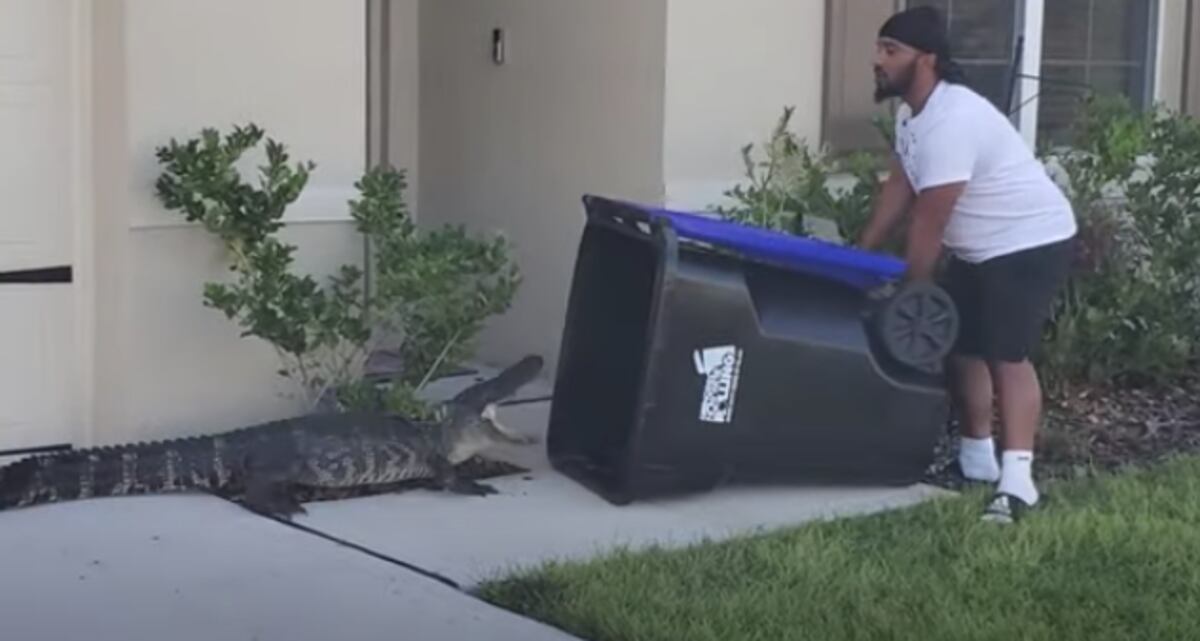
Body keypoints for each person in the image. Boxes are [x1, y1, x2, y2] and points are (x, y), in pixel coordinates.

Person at [857, 6, 1077, 523]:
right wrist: (859, 255)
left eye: (891, 51)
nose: (877, 61)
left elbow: (930, 222)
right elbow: (901, 185)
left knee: (1007, 355)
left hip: (1030, 240)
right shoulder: (913, 113)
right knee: (962, 345)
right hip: (981, 247)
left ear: (926, 59)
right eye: (879, 49)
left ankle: (1018, 482)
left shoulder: (954, 120)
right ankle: (976, 458)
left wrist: (914, 293)